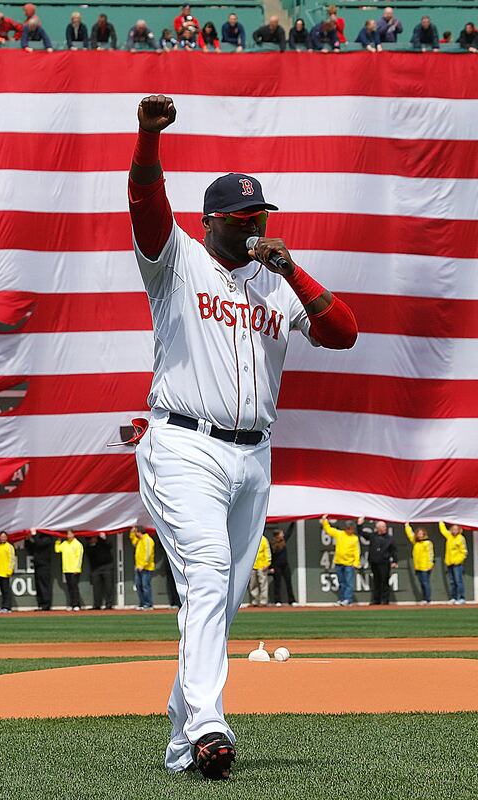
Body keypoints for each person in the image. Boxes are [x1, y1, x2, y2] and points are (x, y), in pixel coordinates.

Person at [130, 94, 357, 779]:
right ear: (214, 224)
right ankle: (208, 727)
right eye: (243, 218)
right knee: (206, 573)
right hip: (183, 444)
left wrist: (290, 268)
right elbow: (145, 203)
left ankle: (179, 739)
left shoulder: (275, 282)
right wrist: (148, 137)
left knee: (221, 602)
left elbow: (343, 331)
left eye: (262, 215)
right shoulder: (177, 263)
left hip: (253, 453)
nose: (257, 225)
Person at [357, 518, 397, 605]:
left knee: (384, 581)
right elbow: (361, 533)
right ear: (377, 528)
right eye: (382, 527)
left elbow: (393, 550)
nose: (384, 528)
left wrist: (394, 561)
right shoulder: (372, 536)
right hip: (374, 562)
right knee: (376, 581)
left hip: (384, 562)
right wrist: (359, 524)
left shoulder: (389, 538)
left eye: (385, 527)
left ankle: (385, 600)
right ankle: (376, 600)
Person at [321, 517, 360, 604]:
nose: (351, 530)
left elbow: (356, 551)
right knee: (341, 582)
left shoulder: (354, 538)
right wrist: (325, 521)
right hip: (338, 562)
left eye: (352, 529)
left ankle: (347, 599)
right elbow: (329, 530)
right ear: (346, 528)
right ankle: (342, 599)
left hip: (349, 563)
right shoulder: (339, 534)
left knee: (349, 583)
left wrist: (356, 562)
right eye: (350, 529)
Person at [438, 522, 468, 603]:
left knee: (458, 581)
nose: (454, 531)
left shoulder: (461, 538)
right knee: (452, 582)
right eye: (453, 529)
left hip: (457, 563)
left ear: (459, 530)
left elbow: (464, 552)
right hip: (449, 562)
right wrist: (441, 521)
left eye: (456, 529)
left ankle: (461, 598)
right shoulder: (449, 536)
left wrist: (458, 560)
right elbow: (443, 530)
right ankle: (453, 598)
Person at [404, 524, 435, 603]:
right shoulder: (416, 542)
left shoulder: (428, 543)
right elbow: (410, 534)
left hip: (425, 566)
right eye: (418, 533)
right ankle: (424, 598)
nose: (419, 535)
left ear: (424, 534)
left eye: (421, 533)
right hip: (418, 566)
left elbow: (431, 554)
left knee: (425, 583)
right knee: (422, 583)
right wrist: (407, 525)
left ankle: (427, 599)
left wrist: (430, 564)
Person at [55, 531, 84, 611]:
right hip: (66, 569)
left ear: (74, 534)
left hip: (74, 570)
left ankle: (76, 604)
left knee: (74, 587)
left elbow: (79, 558)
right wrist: (58, 541)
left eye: (70, 534)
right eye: (67, 534)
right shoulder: (64, 543)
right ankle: (71, 604)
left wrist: (77, 569)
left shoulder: (77, 544)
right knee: (70, 587)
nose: (68, 536)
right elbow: (57, 550)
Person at [25, 529, 54, 610]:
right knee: (38, 585)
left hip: (44, 565)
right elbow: (31, 549)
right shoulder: (38, 538)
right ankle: (41, 603)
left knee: (44, 584)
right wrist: (27, 540)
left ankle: (46, 604)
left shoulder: (48, 538)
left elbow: (39, 544)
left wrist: (34, 535)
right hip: (37, 564)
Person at [129, 527, 155, 609]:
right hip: (138, 567)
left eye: (136, 532)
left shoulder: (147, 540)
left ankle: (148, 604)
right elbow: (133, 541)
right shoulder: (140, 540)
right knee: (138, 586)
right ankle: (142, 603)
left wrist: (143, 565)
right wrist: (132, 532)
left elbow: (148, 553)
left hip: (146, 568)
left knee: (145, 586)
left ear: (139, 532)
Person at [87, 532, 114, 609]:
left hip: (107, 566)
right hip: (96, 568)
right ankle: (97, 605)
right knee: (96, 588)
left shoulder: (103, 542)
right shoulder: (89, 546)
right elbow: (89, 554)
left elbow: (110, 545)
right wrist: (92, 544)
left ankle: (109, 604)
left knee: (108, 586)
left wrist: (104, 538)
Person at [269, 529, 295, 605]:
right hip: (277, 566)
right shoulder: (272, 544)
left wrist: (293, 521)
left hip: (285, 565)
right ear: (277, 535)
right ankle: (277, 600)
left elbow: (289, 533)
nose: (283, 535)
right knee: (277, 584)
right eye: (281, 533)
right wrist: (271, 567)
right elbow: (271, 556)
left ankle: (292, 600)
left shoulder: (283, 541)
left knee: (288, 583)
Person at [247, 533, 270, 607]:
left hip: (262, 565)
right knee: (252, 584)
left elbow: (267, 551)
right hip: (252, 565)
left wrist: (267, 563)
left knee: (263, 584)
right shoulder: (250, 538)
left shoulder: (263, 539)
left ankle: (263, 601)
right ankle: (255, 601)